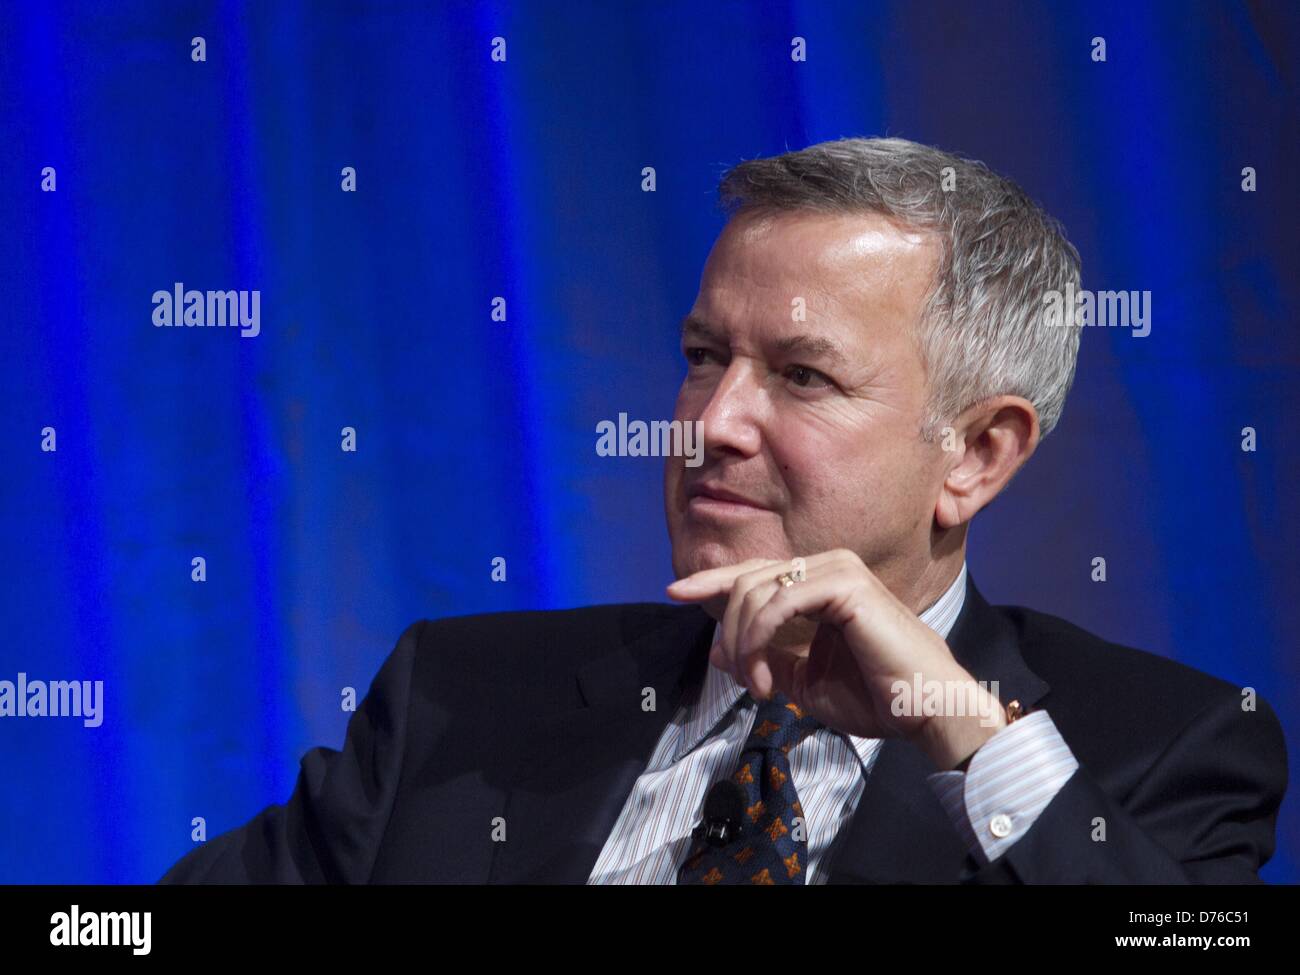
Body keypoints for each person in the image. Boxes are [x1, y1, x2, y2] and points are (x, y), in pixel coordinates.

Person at [160, 137, 1286, 884]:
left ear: (976, 455)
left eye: (801, 376)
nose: (710, 420)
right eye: (705, 357)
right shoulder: (458, 704)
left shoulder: (1166, 750)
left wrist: (957, 724)